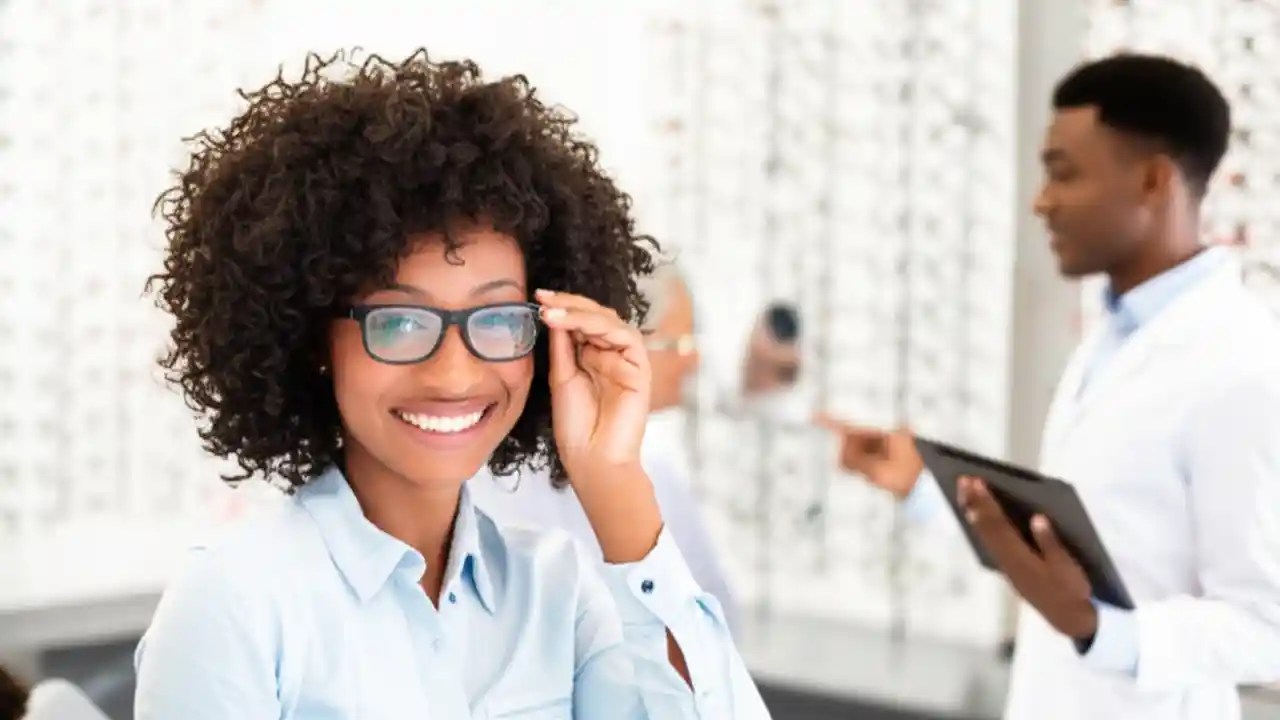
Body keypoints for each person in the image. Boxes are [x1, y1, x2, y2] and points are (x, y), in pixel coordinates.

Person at [134, 50, 769, 718]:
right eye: (401, 322)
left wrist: (613, 482)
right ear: (316, 339)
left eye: (497, 318)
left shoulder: (557, 589)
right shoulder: (234, 603)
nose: (455, 372)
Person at [820, 54, 1280, 719]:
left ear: (1153, 180)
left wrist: (1099, 630)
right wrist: (924, 485)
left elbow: (1267, 626)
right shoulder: (1114, 334)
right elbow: (1090, 546)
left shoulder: (1243, 363)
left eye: (1063, 174)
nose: (1041, 201)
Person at [468, 260, 740, 629]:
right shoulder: (491, 480)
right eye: (679, 343)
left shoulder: (657, 475)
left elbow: (717, 633)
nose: (693, 359)